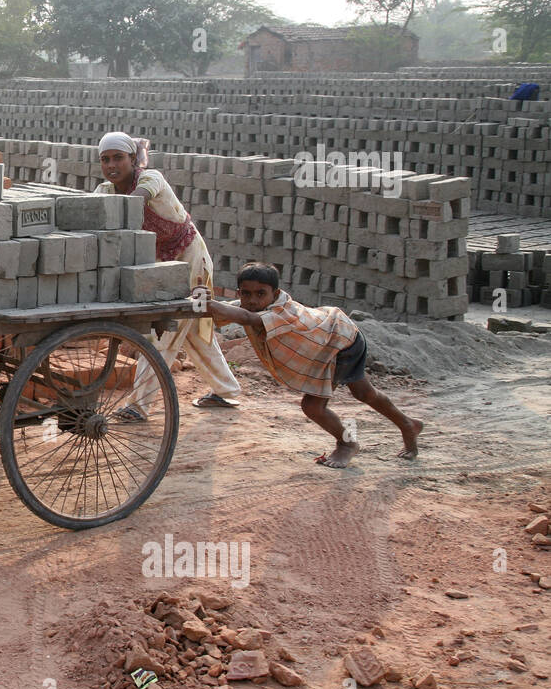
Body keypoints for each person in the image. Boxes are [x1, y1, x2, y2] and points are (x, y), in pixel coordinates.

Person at [204, 261, 423, 468]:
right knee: (365, 393)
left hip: (341, 343)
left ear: (275, 294)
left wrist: (210, 303)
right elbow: (224, 312)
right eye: (246, 293)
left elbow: (245, 317)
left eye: (260, 293)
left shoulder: (282, 312)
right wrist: (196, 302)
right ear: (239, 293)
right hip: (331, 342)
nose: (252, 300)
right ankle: (407, 424)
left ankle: (348, 443)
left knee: (314, 407)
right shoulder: (248, 307)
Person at [93, 131, 242, 417]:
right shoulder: (105, 191)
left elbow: (134, 204)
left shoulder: (151, 179)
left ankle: (138, 405)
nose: (112, 166)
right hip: (163, 268)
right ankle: (227, 390)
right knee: (195, 332)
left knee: (165, 332)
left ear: (133, 159)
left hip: (192, 262)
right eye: (105, 160)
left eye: (118, 158)